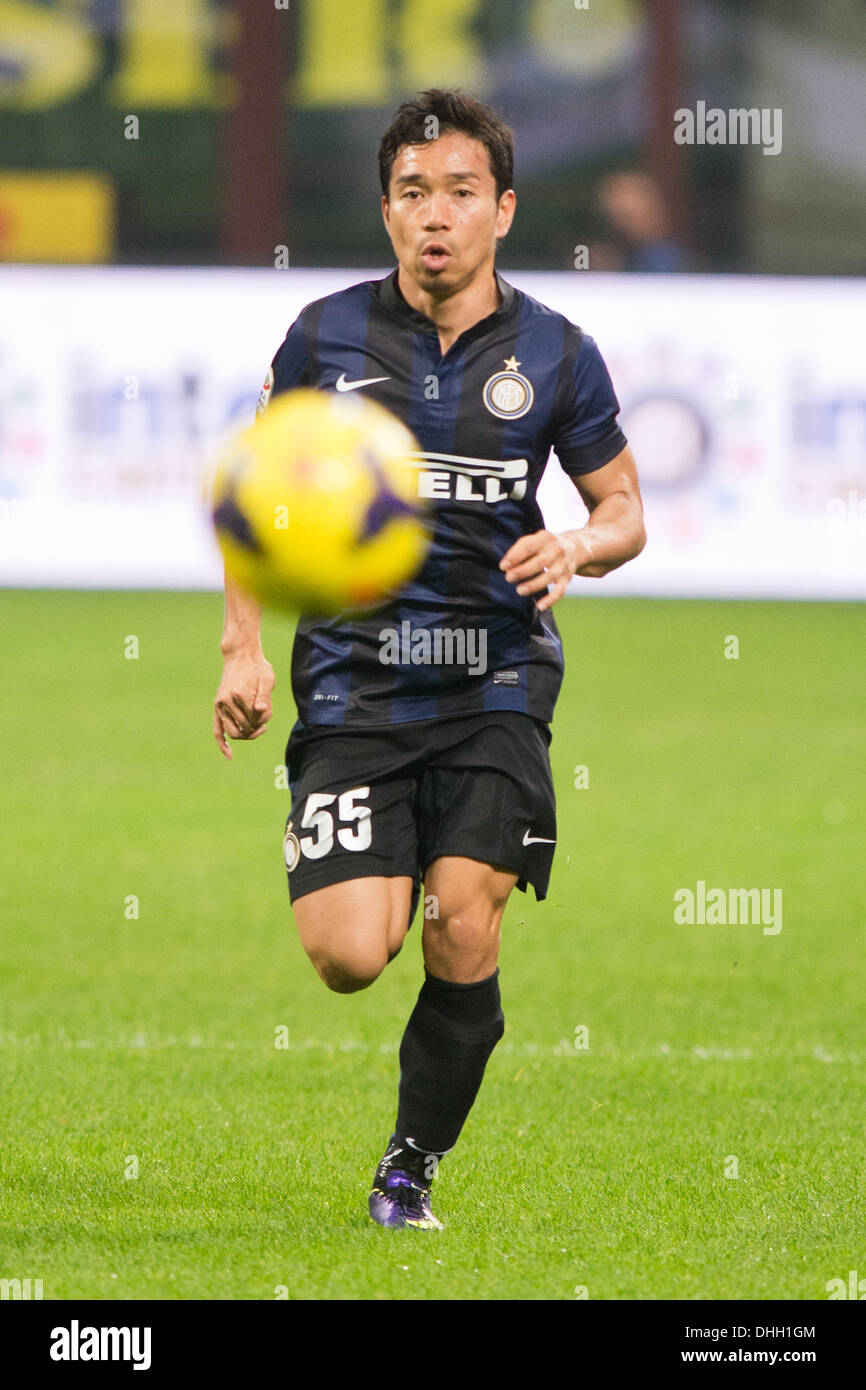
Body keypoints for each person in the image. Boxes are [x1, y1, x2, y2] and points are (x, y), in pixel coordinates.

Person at [213, 88, 646, 1231]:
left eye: (459, 192)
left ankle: (407, 1168)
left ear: (501, 209)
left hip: (496, 680)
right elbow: (254, 501)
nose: (434, 215)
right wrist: (241, 648)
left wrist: (578, 543)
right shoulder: (323, 336)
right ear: (387, 210)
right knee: (351, 954)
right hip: (353, 679)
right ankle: (385, 880)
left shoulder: (557, 351)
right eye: (413, 194)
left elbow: (623, 511)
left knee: (465, 918)